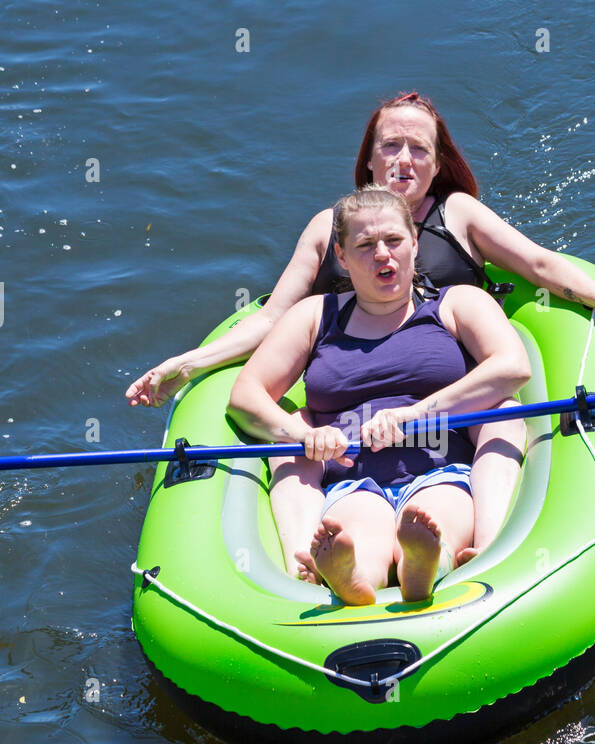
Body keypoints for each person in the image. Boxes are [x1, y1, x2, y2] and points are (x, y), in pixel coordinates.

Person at [127, 91, 595, 578]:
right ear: (369, 161)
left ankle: (489, 544)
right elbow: (271, 319)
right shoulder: (331, 229)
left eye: (419, 149)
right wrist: (191, 364)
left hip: (449, 384)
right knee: (299, 430)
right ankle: (317, 560)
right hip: (350, 392)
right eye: (390, 146)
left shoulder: (457, 215)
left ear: (438, 163)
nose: (404, 159)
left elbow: (535, 263)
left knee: (506, 409)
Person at [226, 186, 530, 606]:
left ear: (414, 243)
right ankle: (349, 578)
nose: (382, 254)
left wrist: (416, 416)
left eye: (393, 241)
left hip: (441, 463)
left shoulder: (456, 303)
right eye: (365, 245)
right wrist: (301, 432)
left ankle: (431, 564)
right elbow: (246, 395)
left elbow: (512, 366)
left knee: (435, 513)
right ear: (343, 256)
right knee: (355, 533)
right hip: (352, 477)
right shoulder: (315, 316)